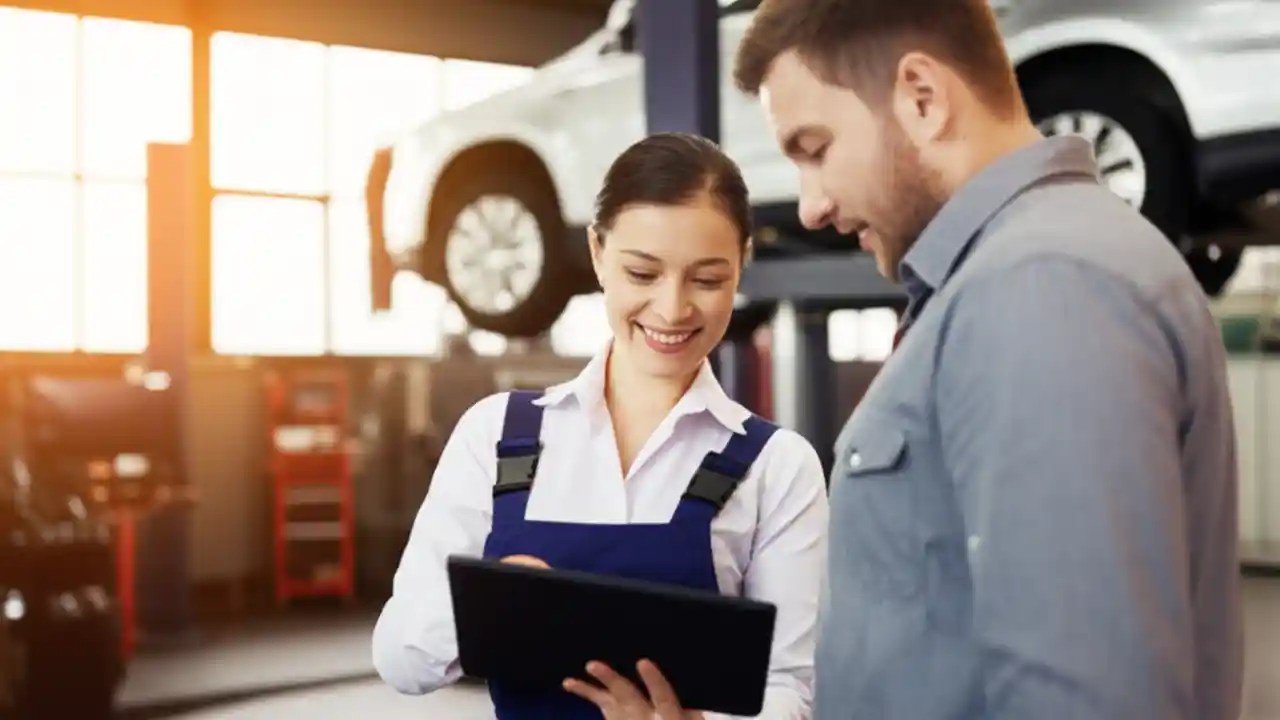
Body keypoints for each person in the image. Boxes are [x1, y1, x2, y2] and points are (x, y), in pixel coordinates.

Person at [732, 1, 1243, 719]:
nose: (810, 206)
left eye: (814, 150)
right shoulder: (1010, 278)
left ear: (922, 98)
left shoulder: (1043, 285)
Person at [372, 132, 829, 720]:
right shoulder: (497, 438)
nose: (672, 308)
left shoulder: (777, 467)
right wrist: (486, 608)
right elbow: (400, 659)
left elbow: (790, 689)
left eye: (707, 279)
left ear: (742, 262)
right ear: (597, 253)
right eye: (642, 273)